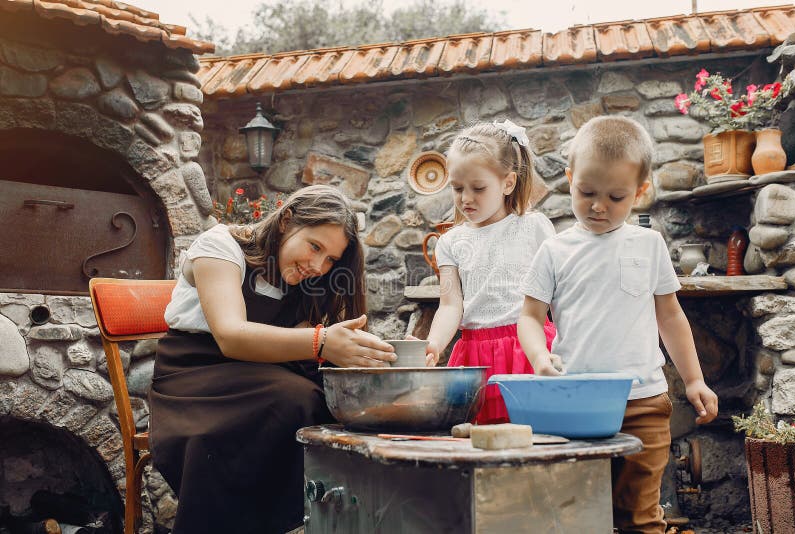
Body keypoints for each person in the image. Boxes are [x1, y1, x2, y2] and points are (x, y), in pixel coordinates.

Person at [149, 184, 396, 534]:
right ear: (286, 221)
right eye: (314, 246)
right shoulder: (219, 246)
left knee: (335, 404)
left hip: (258, 377)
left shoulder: (299, 279)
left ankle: (339, 520)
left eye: (330, 260)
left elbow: (301, 346)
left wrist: (376, 356)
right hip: (194, 379)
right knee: (294, 400)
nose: (318, 265)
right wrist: (322, 341)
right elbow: (231, 335)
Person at [517, 116, 718, 534]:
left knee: (639, 518)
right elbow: (530, 318)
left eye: (615, 196)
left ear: (640, 193)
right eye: (586, 192)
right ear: (570, 179)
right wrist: (538, 356)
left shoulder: (650, 245)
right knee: (574, 515)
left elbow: (670, 316)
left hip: (643, 403)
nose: (597, 206)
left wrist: (694, 380)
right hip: (575, 404)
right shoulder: (554, 250)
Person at [424, 120, 557, 425]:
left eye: (478, 188)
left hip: (529, 346)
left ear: (508, 183)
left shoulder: (534, 227)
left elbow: (557, 294)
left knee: (538, 436)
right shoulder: (450, 242)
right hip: (475, 357)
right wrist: (433, 343)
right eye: (457, 188)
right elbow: (450, 304)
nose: (465, 198)